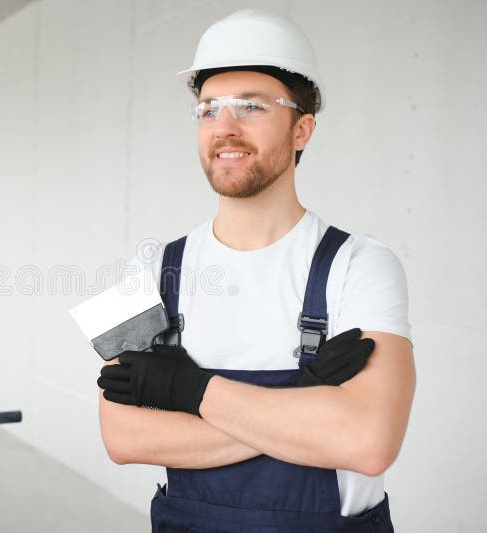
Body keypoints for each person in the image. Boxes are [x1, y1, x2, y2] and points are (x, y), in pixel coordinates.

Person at [97, 9, 415, 532]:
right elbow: (121, 438)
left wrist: (191, 394)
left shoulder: (366, 264)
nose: (224, 128)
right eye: (208, 110)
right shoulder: (141, 268)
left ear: (302, 130)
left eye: (251, 106)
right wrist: (303, 406)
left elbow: (370, 443)